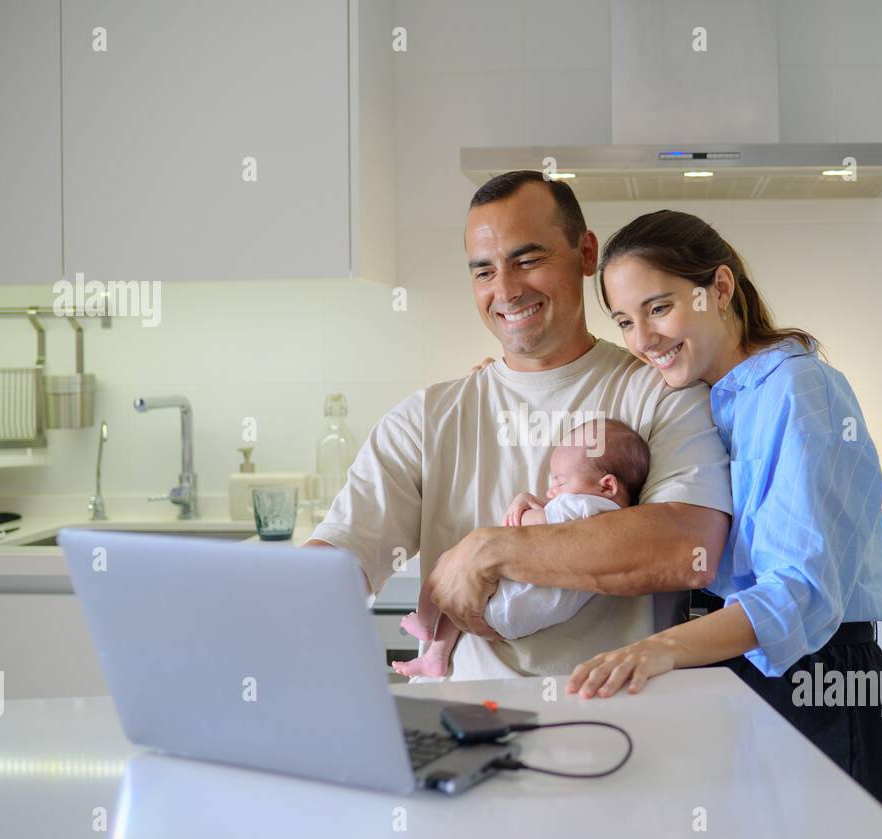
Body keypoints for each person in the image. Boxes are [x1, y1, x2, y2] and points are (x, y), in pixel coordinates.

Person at [306, 172, 732, 680]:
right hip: (467, 729)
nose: (505, 290)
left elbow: (689, 548)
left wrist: (493, 550)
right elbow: (339, 561)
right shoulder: (424, 419)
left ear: (586, 252)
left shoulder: (662, 391)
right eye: (483, 271)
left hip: (621, 723)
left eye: (528, 260)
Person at [565, 210, 882, 811]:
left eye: (658, 308)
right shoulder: (703, 398)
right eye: (624, 321)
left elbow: (800, 589)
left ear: (719, 288)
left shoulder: (800, 389)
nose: (641, 340)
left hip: (815, 678)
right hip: (735, 665)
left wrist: (659, 649)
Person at [392, 418, 650, 677]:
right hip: (529, 614)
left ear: (607, 485)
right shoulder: (619, 519)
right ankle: (436, 658)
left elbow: (524, 525)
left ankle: (425, 623)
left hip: (511, 602)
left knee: (448, 566)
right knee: (459, 597)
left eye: (560, 482)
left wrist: (522, 504)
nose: (551, 492)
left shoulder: (584, 505)